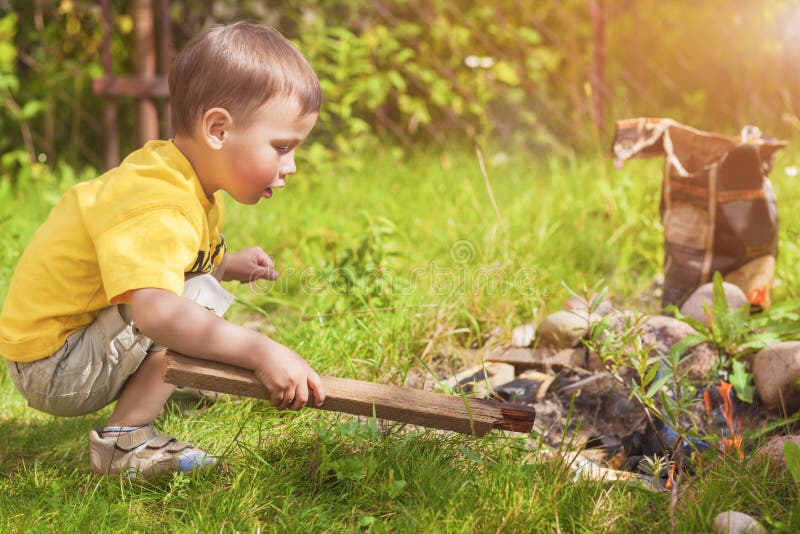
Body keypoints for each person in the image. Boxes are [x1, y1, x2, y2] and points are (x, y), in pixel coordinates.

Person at [0, 21, 326, 479]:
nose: (290, 167)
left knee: (202, 286)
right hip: (54, 366)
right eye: (282, 147)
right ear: (217, 129)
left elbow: (177, 256)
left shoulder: (177, 174)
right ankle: (124, 442)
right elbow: (156, 312)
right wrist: (260, 352)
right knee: (195, 301)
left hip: (57, 347)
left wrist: (226, 263)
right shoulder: (159, 201)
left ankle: (175, 378)